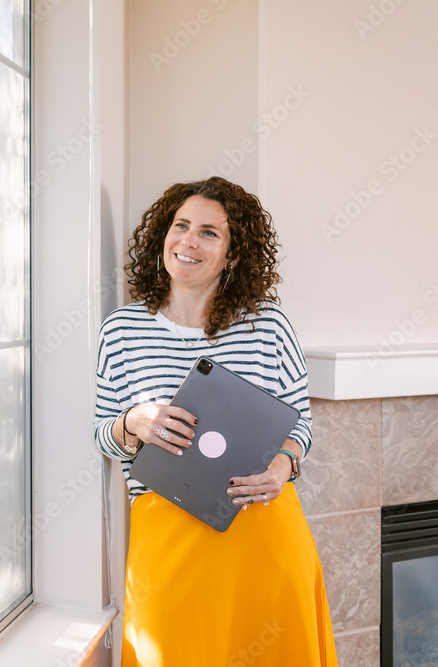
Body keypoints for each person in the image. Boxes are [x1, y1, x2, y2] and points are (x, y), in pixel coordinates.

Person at [95, 177, 338, 665]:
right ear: (163, 236)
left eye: (209, 233)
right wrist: (133, 422)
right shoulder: (121, 331)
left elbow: (300, 426)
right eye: (181, 226)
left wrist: (283, 465)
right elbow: (104, 436)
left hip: (264, 528)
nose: (189, 241)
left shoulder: (268, 325)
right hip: (166, 537)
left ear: (232, 255)